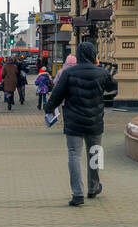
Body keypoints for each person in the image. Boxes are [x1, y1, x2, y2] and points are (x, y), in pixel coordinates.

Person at [45, 42, 116, 206]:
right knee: (95, 153)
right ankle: (94, 187)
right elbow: (113, 88)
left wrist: (48, 109)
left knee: (74, 155)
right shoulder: (102, 72)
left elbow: (57, 94)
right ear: (93, 55)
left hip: (74, 122)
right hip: (95, 121)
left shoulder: (69, 72)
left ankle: (77, 194)